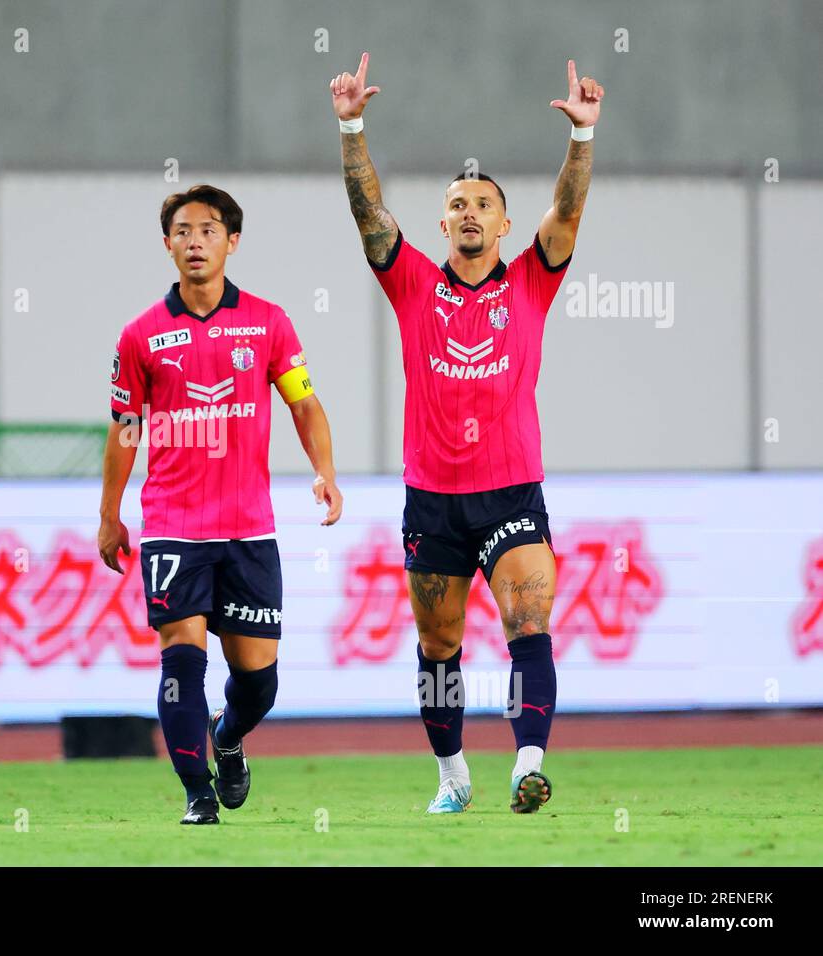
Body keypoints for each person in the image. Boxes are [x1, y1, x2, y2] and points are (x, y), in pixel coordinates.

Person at [330, 54, 602, 813]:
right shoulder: (413, 281)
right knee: (441, 646)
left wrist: (582, 140)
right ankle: (453, 776)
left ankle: (528, 764)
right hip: (432, 500)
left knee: (526, 622)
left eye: (485, 202)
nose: (473, 211)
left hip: (511, 491)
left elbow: (569, 212)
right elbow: (367, 213)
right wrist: (352, 126)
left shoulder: (530, 280)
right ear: (443, 222)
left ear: (505, 223)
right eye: (459, 203)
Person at [98, 184, 343, 824]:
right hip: (173, 527)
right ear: (167, 245)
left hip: (248, 530)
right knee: (181, 659)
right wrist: (109, 513)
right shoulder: (140, 336)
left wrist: (325, 472)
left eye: (208, 230)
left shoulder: (267, 322)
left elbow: (304, 403)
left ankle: (228, 737)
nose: (195, 241)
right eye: (182, 231)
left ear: (232, 242)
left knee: (258, 681)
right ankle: (196, 792)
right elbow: (125, 429)